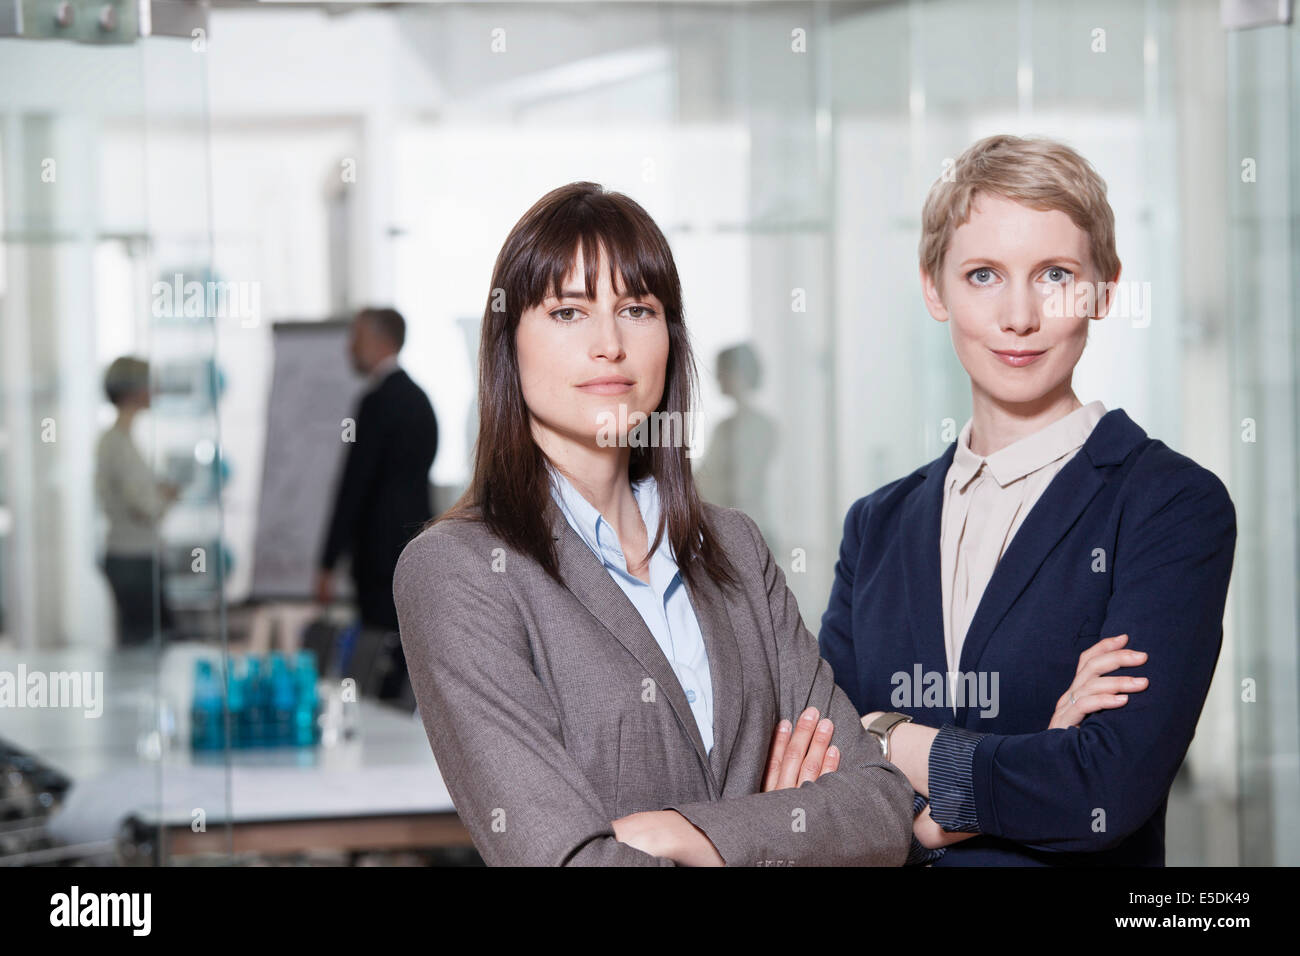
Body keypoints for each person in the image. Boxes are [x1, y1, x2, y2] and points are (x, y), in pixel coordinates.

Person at [392, 182, 914, 866]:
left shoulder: (732, 546)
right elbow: (567, 860)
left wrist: (694, 835)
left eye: (637, 308)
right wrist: (777, 827)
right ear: (508, 346)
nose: (609, 344)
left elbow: (880, 808)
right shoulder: (460, 570)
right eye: (569, 312)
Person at [818, 134, 1237, 865]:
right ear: (933, 287)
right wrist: (1037, 751)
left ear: (1105, 288)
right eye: (983, 275)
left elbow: (1099, 791)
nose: (1019, 316)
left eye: (1054, 275)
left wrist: (887, 737)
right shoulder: (877, 526)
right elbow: (821, 786)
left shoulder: (1170, 505)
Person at [316, 307, 438, 697]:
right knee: (405, 651)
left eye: (357, 338)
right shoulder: (420, 400)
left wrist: (327, 561)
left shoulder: (374, 403)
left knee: (375, 657)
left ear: (381, 341)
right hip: (415, 546)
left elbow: (353, 487)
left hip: (376, 556)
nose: (349, 347)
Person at [94, 356, 180, 646]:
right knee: (146, 643)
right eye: (148, 383)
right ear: (133, 390)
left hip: (137, 556)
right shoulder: (116, 442)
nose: (154, 389)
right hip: (132, 559)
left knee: (147, 639)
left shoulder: (123, 440)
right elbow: (146, 508)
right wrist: (167, 496)